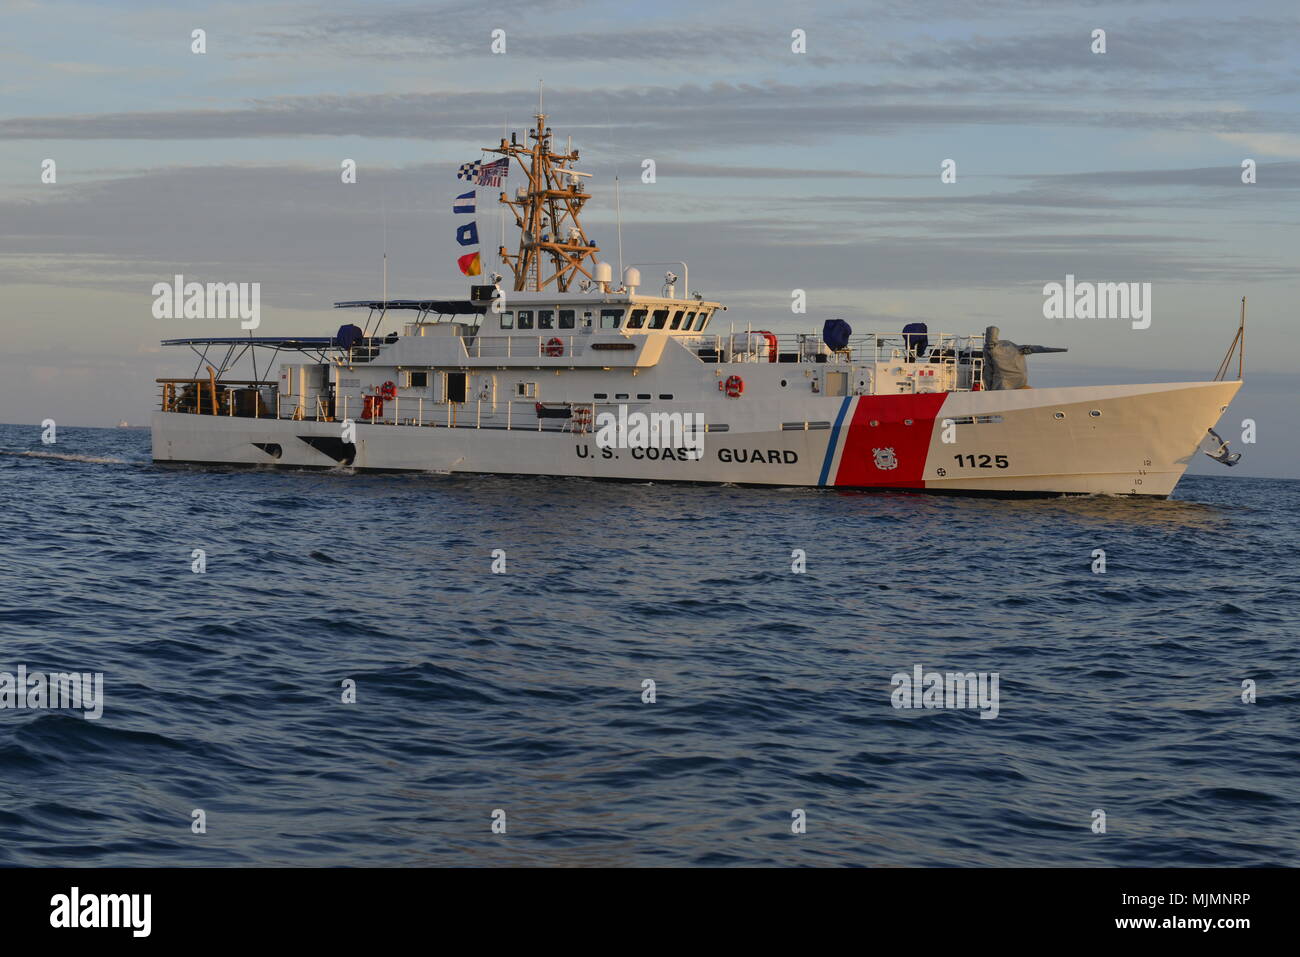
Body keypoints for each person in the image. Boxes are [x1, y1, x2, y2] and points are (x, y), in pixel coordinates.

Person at [982, 326, 1067, 389]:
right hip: (1003, 382)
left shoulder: (1008, 346)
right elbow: (988, 371)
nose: (990, 344)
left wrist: (1060, 349)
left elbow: (1039, 349)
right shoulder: (988, 349)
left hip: (1012, 382)